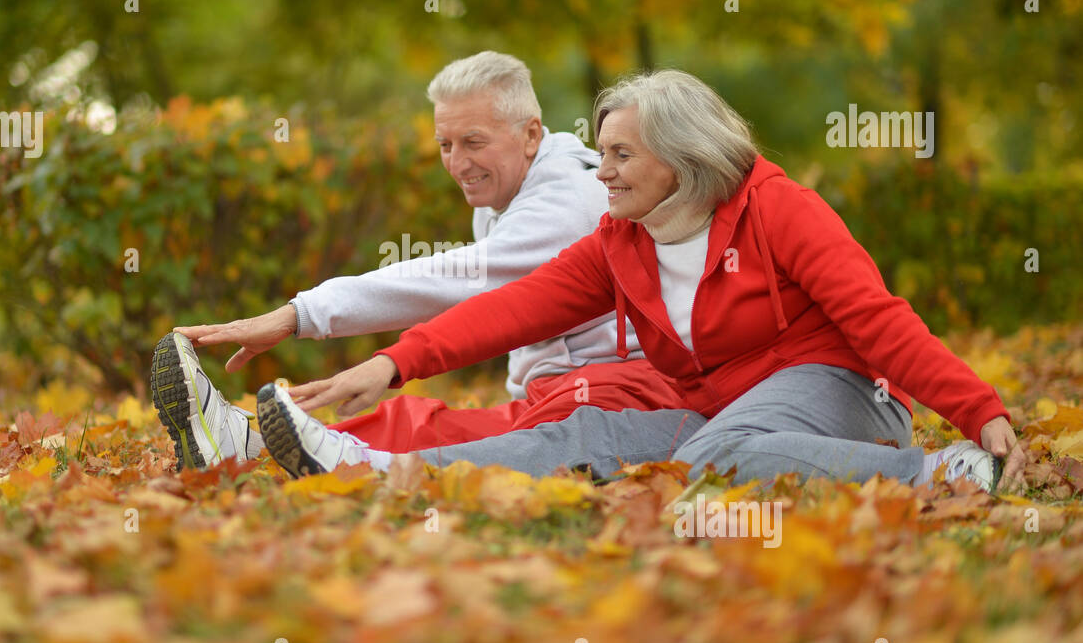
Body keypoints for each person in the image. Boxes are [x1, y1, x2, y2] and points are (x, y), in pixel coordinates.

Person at [254, 68, 1026, 493]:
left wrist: (976, 411)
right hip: (723, 413)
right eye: (601, 151)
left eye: (621, 155)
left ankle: (936, 473)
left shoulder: (779, 210)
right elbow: (513, 309)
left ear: (682, 158)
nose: (604, 171)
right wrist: (394, 362)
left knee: (719, 461)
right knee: (595, 434)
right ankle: (381, 468)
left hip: (843, 396)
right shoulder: (620, 241)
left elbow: (879, 321)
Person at [150, 51, 682, 469]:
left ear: (531, 134)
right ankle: (252, 443)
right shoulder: (507, 193)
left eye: (473, 141)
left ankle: (266, 449)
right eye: (445, 143)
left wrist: (301, 315)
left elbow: (452, 279)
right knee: (418, 417)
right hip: (567, 391)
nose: (458, 163)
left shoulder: (572, 195)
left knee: (471, 437)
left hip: (623, 392)